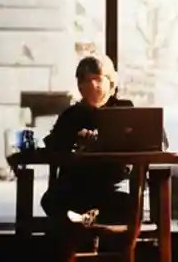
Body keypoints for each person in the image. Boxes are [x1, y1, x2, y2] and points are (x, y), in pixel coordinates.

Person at [41, 55, 136, 226]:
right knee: (52, 200)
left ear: (111, 83)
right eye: (86, 80)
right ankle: (85, 224)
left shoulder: (125, 110)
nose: (93, 85)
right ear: (79, 85)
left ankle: (88, 221)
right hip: (76, 186)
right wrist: (75, 139)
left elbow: (157, 139)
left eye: (98, 79)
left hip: (114, 186)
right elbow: (53, 145)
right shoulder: (70, 115)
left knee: (130, 206)